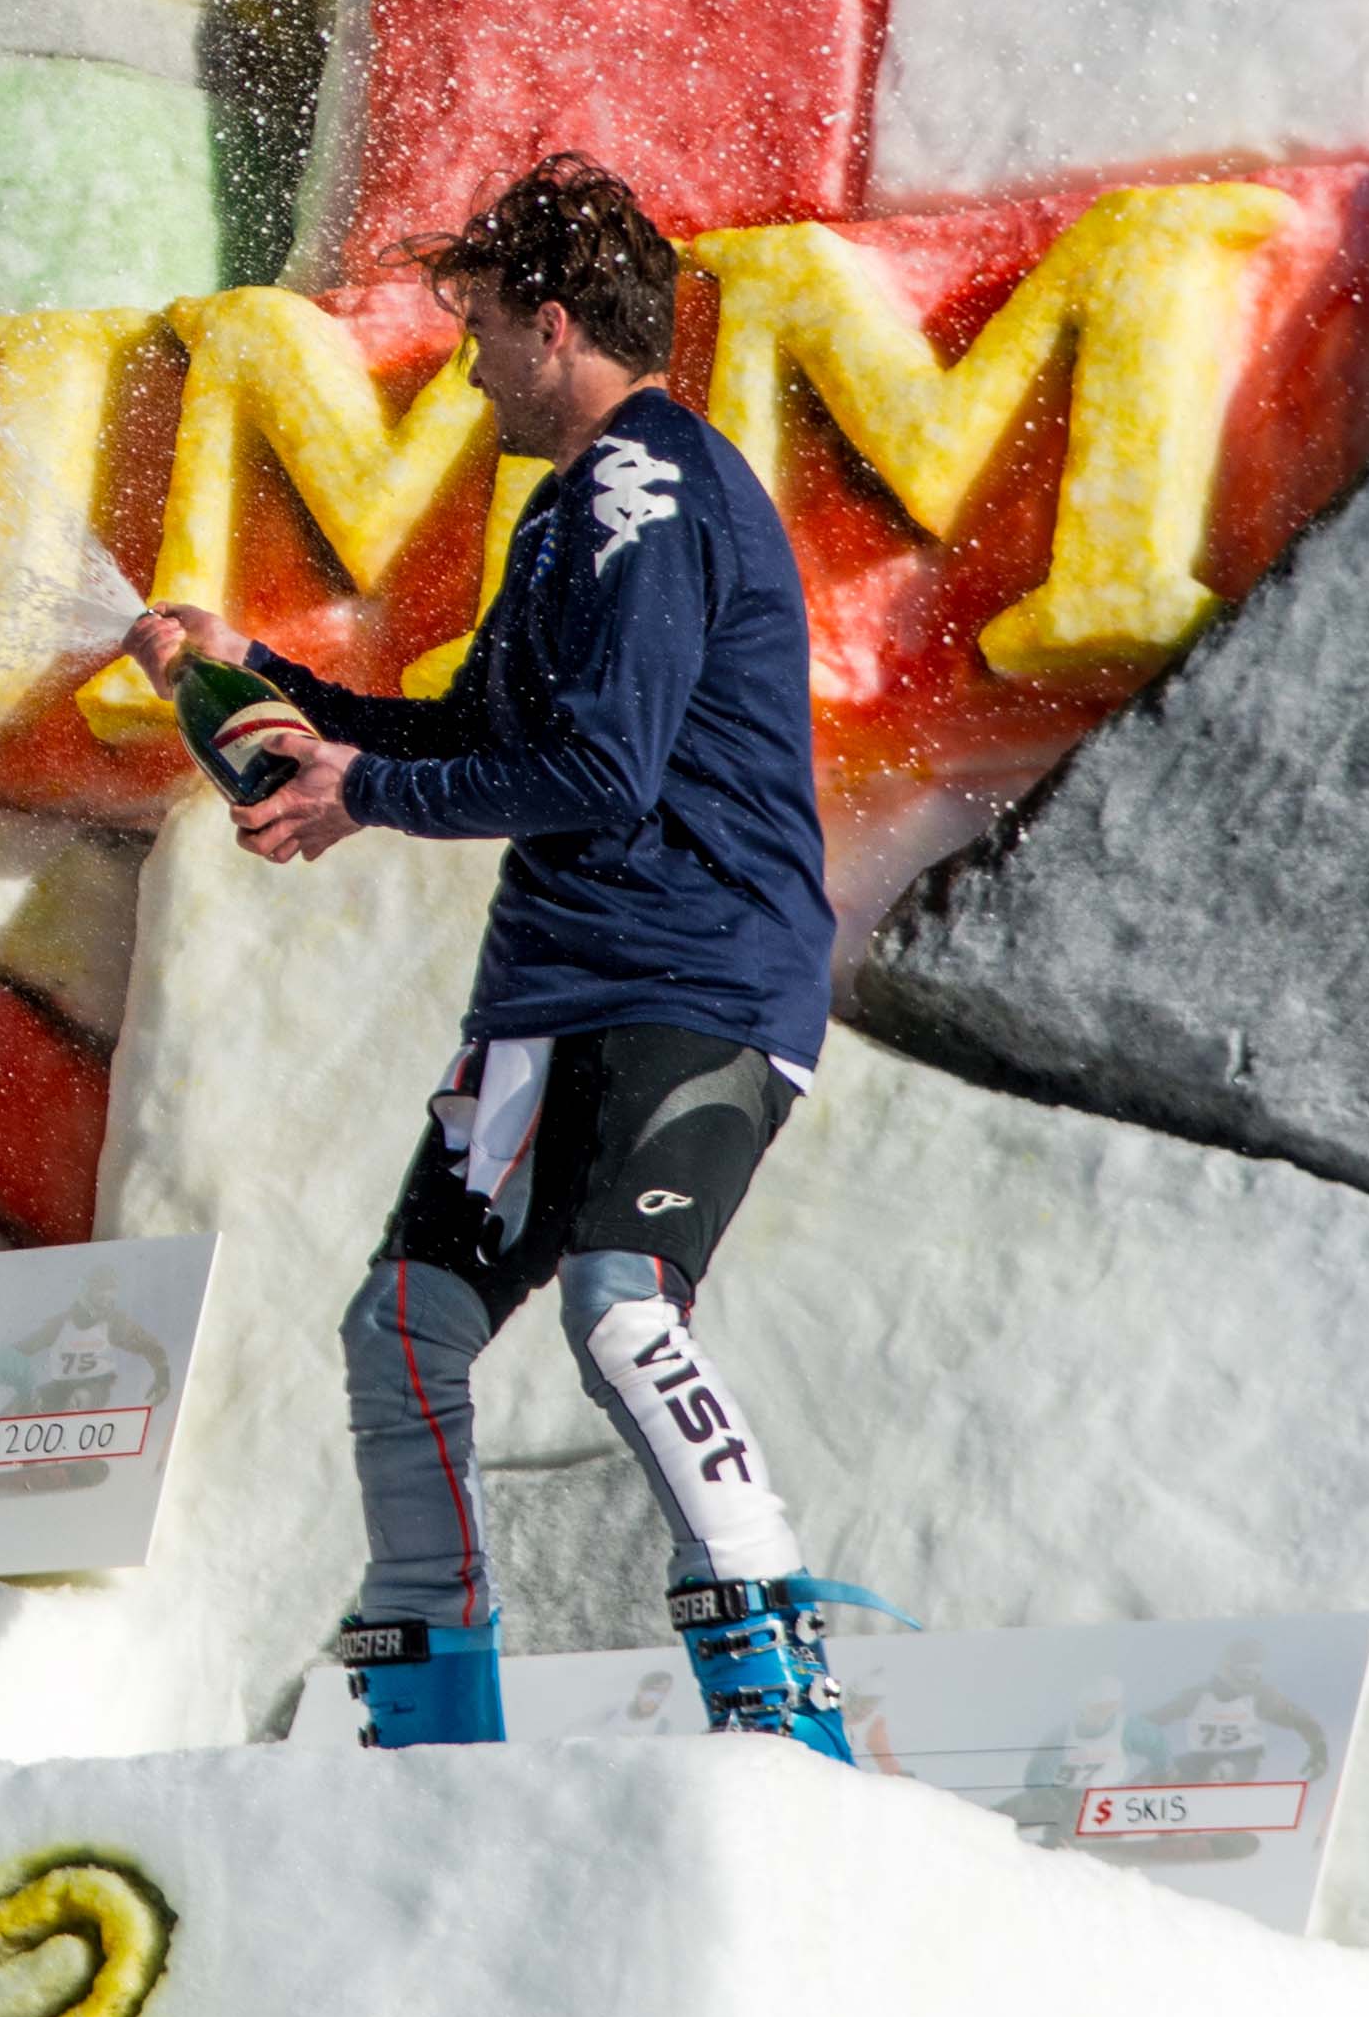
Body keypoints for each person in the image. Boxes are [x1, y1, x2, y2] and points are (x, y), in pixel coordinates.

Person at [123, 155, 864, 1759]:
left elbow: (598, 770)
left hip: (695, 986)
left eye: (476, 333)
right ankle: (432, 1701)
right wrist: (262, 680)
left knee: (619, 1308)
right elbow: (474, 734)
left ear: (552, 323)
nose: (466, 371)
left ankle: (776, 1660)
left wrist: (362, 797)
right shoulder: (566, 510)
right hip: (547, 999)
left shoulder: (646, 487)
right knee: (402, 1325)